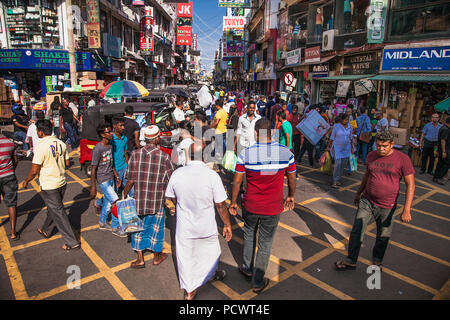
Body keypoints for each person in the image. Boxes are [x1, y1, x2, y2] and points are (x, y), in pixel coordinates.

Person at [229, 118, 296, 294]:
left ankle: (246, 267)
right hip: (273, 207)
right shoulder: (285, 153)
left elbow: (236, 182)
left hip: (250, 205)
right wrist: (290, 195)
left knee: (249, 235)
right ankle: (258, 282)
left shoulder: (246, 153)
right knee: (265, 243)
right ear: (272, 132)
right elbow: (291, 177)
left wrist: (233, 201)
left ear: (256, 133)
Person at [335, 131, 414, 270]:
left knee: (383, 235)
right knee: (357, 231)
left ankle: (377, 260)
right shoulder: (371, 155)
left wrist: (407, 210)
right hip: (367, 201)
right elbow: (366, 176)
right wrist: (358, 193)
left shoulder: (403, 159)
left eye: (384, 146)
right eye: (378, 145)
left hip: (387, 206)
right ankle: (351, 259)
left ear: (392, 145)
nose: (381, 149)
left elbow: (411, 185)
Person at [165, 141, 232, 300]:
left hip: (185, 227)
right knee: (211, 253)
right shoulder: (212, 176)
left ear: (189, 155)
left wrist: (181, 206)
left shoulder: (177, 174)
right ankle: (211, 274)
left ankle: (189, 291)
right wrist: (227, 224)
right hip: (206, 226)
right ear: (205, 156)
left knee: (186, 257)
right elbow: (220, 205)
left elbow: (171, 196)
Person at [22, 120, 80, 250]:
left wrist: (26, 181)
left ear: (40, 132)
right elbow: (67, 163)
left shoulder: (41, 147)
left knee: (59, 213)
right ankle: (46, 230)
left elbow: (34, 170)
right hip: (61, 182)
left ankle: (72, 242)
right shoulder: (61, 143)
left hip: (49, 185)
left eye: (37, 131)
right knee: (53, 208)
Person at [122, 125, 175, 268]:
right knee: (156, 230)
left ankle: (140, 259)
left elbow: (130, 180)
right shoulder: (164, 157)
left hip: (138, 200)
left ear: (145, 139)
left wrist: (123, 196)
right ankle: (157, 257)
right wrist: (176, 202)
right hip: (157, 201)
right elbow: (172, 180)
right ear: (157, 139)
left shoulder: (135, 155)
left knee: (137, 229)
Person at [90, 124, 125, 237]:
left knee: (107, 202)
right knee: (115, 202)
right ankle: (115, 227)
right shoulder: (97, 149)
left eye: (111, 131)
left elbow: (111, 163)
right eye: (108, 132)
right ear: (102, 135)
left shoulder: (109, 146)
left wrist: (116, 176)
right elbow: (94, 168)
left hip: (111, 177)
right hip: (103, 180)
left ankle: (102, 222)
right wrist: (93, 187)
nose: (111, 134)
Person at [0, 132, 19, 240]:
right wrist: (11, 170)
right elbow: (15, 161)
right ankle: (13, 232)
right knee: (11, 204)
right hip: (9, 176)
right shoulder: (10, 143)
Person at [327, 114, 353, 188]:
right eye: (345, 119)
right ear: (341, 119)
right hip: (337, 148)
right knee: (337, 164)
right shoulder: (336, 126)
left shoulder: (350, 127)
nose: (346, 121)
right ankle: (334, 181)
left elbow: (351, 138)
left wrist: (352, 148)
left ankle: (338, 179)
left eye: (348, 119)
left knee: (343, 164)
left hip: (346, 148)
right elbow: (332, 137)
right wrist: (328, 146)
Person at [111, 117, 132, 197]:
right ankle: (99, 203)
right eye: (120, 126)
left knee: (131, 191)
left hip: (124, 168)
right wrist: (115, 173)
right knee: (115, 194)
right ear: (114, 126)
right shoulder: (111, 139)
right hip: (115, 170)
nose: (123, 128)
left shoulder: (124, 138)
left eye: (123, 125)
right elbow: (110, 158)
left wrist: (128, 167)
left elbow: (125, 153)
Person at [433, 117, 450, 185]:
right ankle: (439, 177)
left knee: (440, 163)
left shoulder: (443, 128)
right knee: (446, 163)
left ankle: (436, 177)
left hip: (443, 149)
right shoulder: (446, 129)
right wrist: (444, 151)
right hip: (445, 150)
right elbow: (443, 140)